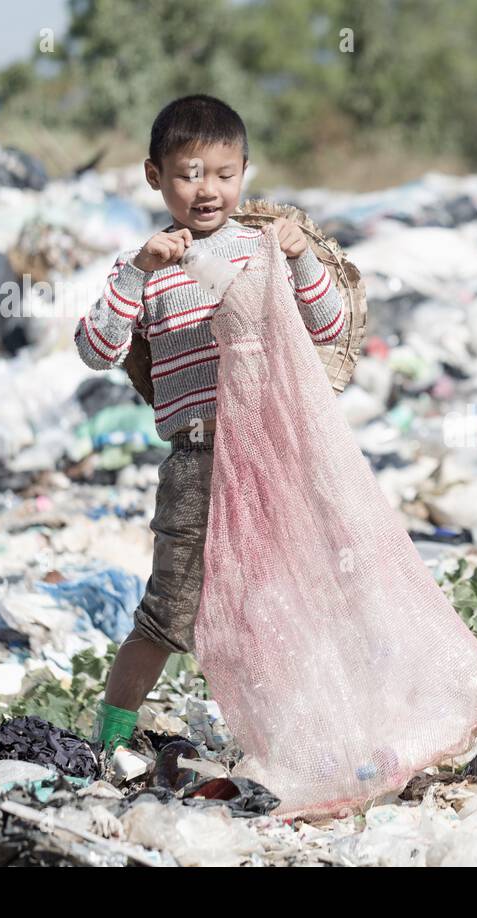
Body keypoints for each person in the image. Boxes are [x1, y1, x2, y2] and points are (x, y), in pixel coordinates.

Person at [73, 94, 347, 752]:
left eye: (224, 174)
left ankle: (299, 741)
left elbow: (329, 327)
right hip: (196, 461)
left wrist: (303, 255)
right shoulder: (148, 266)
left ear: (245, 172)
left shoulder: (263, 250)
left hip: (274, 459)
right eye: (189, 173)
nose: (207, 189)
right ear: (154, 176)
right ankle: (108, 742)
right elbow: (96, 350)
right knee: (172, 610)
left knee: (283, 601)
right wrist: (138, 272)